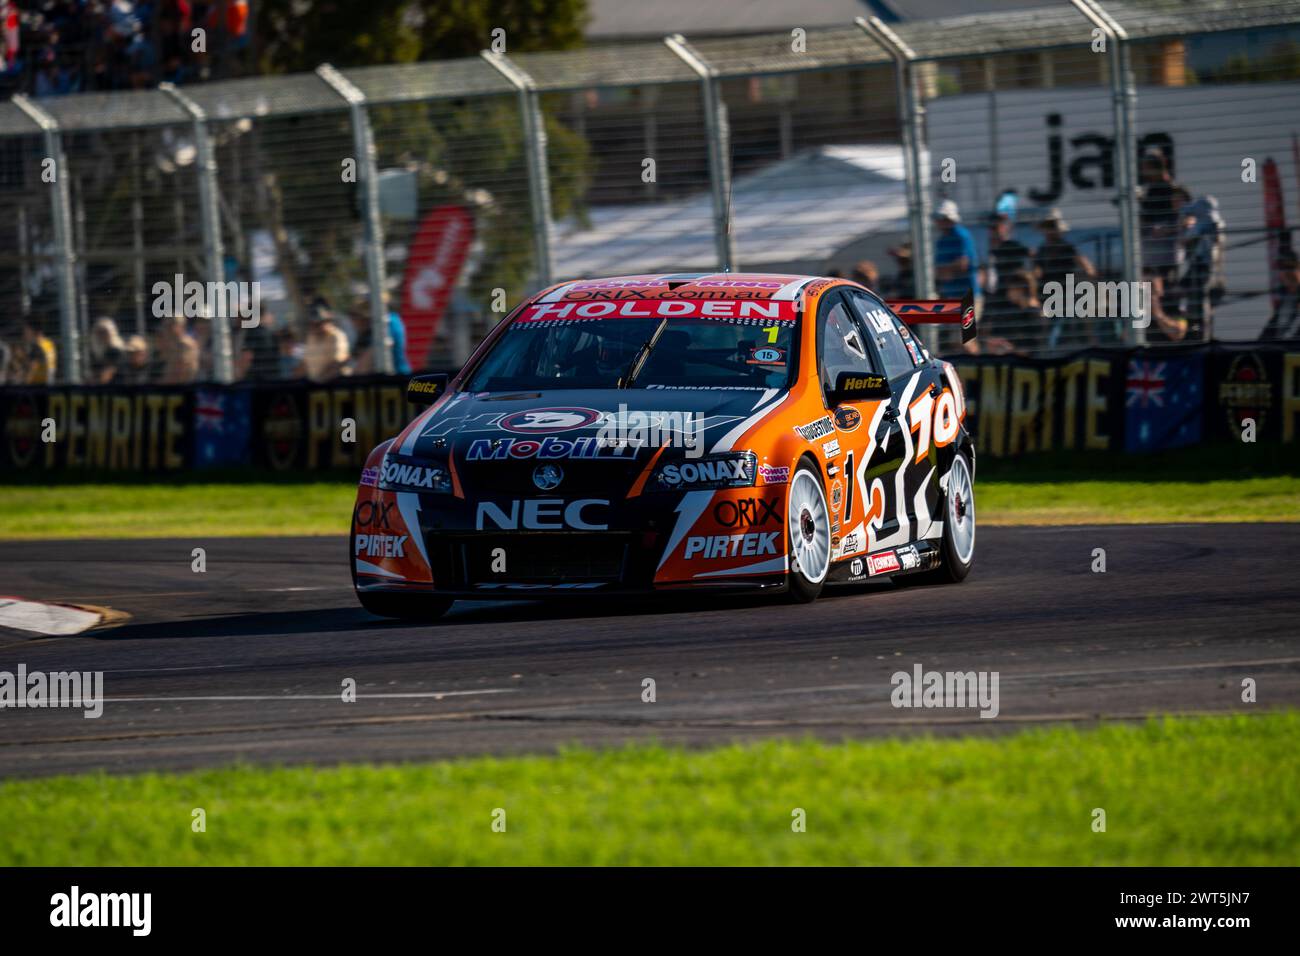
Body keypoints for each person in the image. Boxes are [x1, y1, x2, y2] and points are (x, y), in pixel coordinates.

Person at [1032, 209, 1097, 351]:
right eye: (1047, 228)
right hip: (1048, 299)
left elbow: (1088, 269)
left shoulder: (1067, 248)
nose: (1049, 232)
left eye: (1051, 227)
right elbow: (1036, 273)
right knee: (1052, 331)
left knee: (1079, 327)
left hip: (1067, 298)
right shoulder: (1042, 250)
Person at [1176, 188, 1225, 341]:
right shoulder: (1215, 223)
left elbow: (1185, 239)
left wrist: (1185, 228)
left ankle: (1202, 333)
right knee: (1201, 301)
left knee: (1201, 301)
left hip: (1203, 267)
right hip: (1210, 269)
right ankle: (1202, 331)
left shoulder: (1205, 223)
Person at [933, 199, 980, 300]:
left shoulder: (961, 235)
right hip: (950, 295)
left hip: (966, 295)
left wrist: (946, 270)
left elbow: (963, 264)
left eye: (943, 218)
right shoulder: (941, 240)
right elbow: (938, 270)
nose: (939, 221)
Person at [302, 300, 350, 382]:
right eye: (312, 323)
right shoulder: (311, 337)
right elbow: (306, 363)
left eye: (318, 323)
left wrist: (319, 382)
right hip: (316, 386)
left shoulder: (337, 337)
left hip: (336, 385)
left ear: (328, 322)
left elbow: (339, 363)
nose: (314, 327)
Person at [1260, 251, 1300, 341]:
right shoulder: (1285, 300)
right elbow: (1268, 333)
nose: (1287, 272)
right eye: (1282, 268)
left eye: (1291, 267)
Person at [155, 314, 199, 384]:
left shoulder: (186, 345)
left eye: (172, 325)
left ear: (181, 326)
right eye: (167, 326)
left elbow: (182, 370)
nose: (168, 329)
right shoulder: (171, 344)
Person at [12, 317, 57, 384]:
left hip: (38, 388)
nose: (24, 334)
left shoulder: (37, 347)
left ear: (32, 330)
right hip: (48, 385)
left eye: (26, 330)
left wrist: (21, 358)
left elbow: (30, 375)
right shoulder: (48, 344)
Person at [88, 316, 127, 384]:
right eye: (100, 332)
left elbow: (108, 374)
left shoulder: (115, 349)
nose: (102, 335)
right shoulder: (96, 350)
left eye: (105, 332)